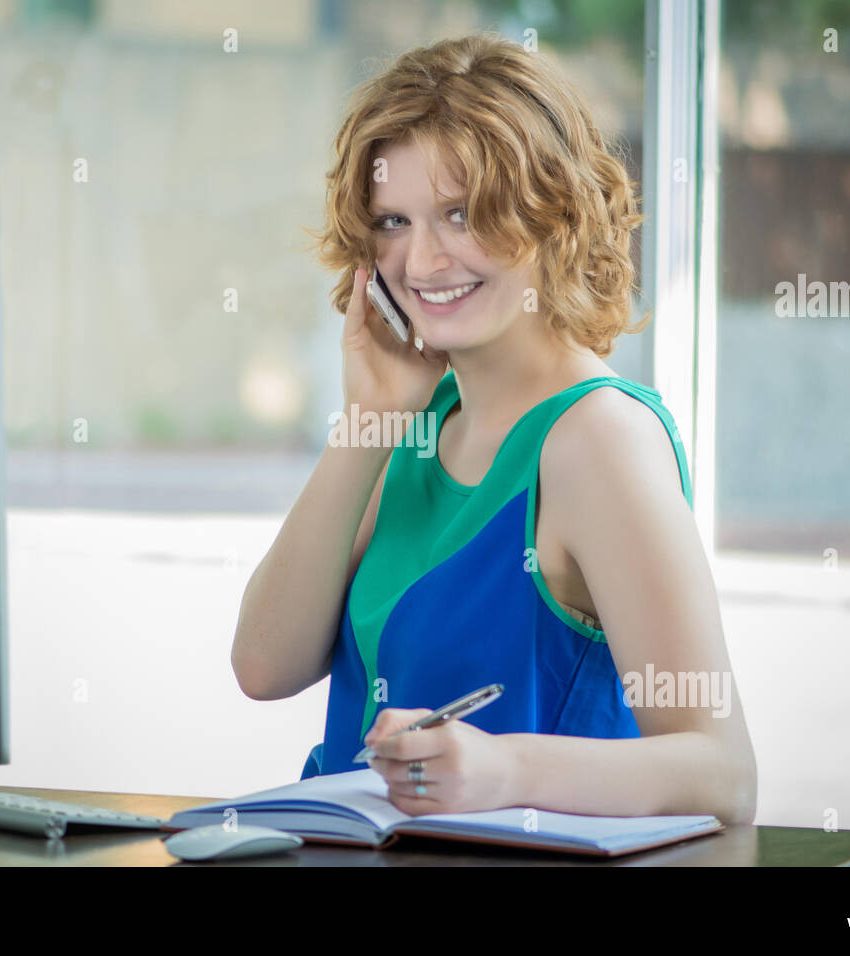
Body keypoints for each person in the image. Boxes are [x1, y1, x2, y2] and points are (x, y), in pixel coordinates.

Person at [231, 33, 756, 824]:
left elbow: (724, 776)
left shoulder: (598, 440)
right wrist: (369, 422)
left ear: (553, 213)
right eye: (394, 221)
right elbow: (264, 664)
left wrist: (505, 768)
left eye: (461, 213)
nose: (423, 260)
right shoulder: (416, 428)